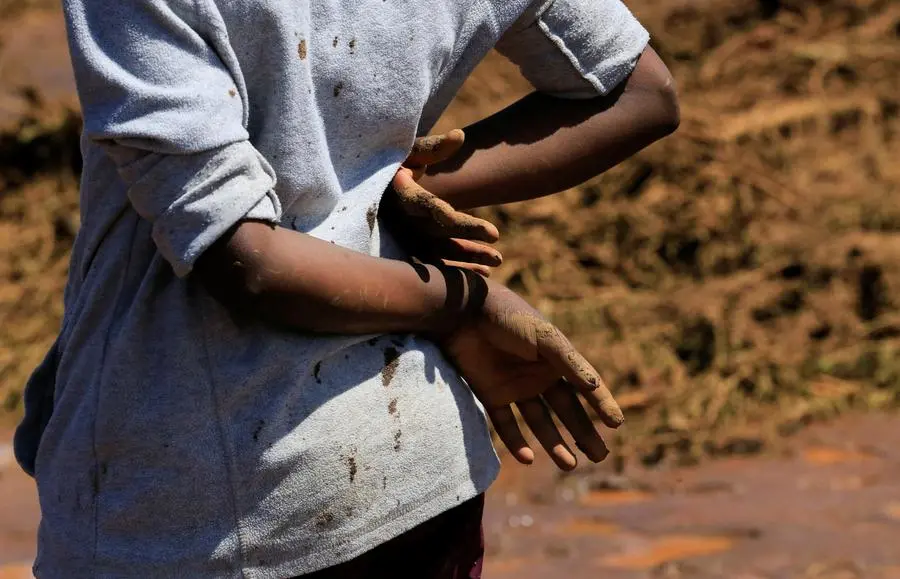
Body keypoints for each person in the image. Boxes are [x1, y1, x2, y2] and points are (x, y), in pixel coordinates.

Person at [14, 0, 679, 576]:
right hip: (418, 475)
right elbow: (643, 91)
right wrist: (405, 199)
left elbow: (244, 260)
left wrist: (459, 294)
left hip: (197, 508)